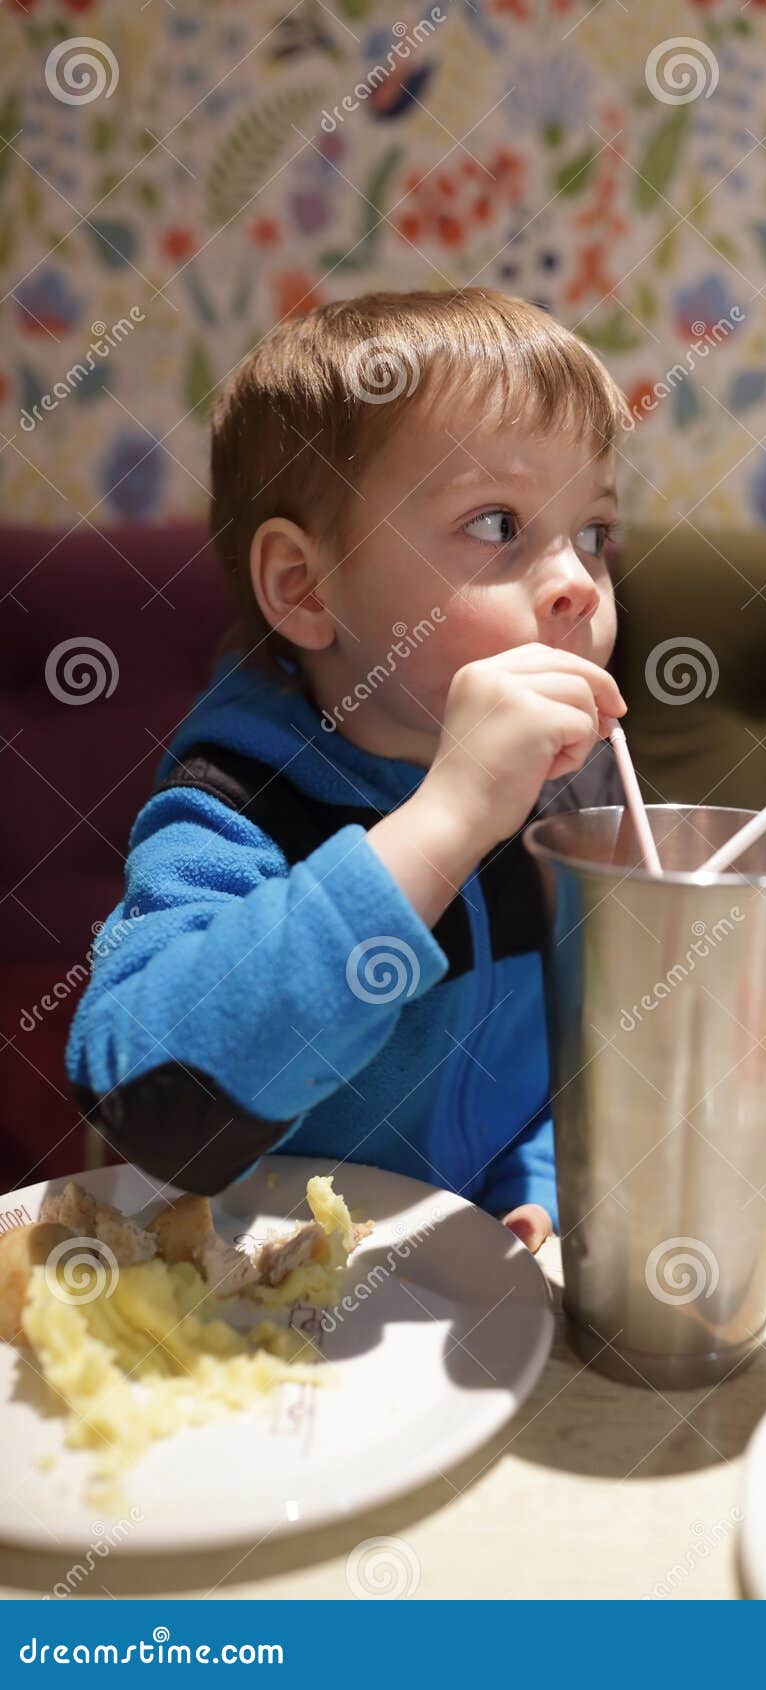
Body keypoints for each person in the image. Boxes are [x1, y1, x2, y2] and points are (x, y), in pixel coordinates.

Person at [66, 287, 631, 1255]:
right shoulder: (234, 807)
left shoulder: (568, 792)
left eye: (593, 532)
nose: (578, 579)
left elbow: (575, 1057)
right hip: (248, 1315)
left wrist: (539, 1182)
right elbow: (144, 1101)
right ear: (306, 587)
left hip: (465, 1318)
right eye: (497, 524)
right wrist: (442, 821)